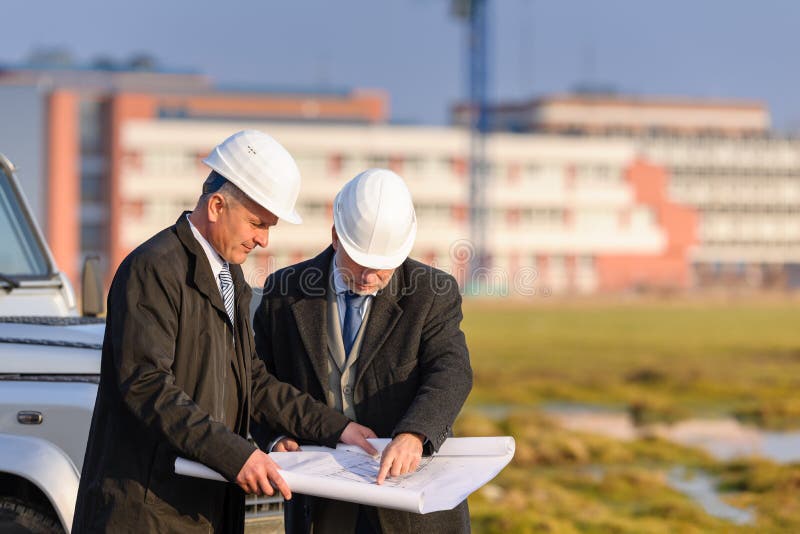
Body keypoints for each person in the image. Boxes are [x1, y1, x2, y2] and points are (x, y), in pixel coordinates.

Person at [72, 130, 377, 533]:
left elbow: (252, 381)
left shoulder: (230, 277)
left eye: (269, 226)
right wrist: (237, 456)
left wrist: (337, 428)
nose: (264, 239)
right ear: (217, 205)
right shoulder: (153, 269)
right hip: (145, 512)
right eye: (256, 223)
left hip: (201, 508)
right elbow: (147, 386)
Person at [253, 168, 473, 534]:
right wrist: (273, 437)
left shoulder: (433, 293)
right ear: (336, 236)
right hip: (320, 507)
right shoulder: (283, 291)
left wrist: (415, 434)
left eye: (383, 265)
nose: (370, 275)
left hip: (410, 514)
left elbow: (451, 372)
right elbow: (255, 379)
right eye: (360, 261)